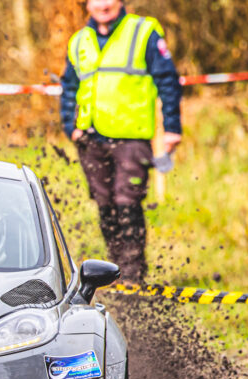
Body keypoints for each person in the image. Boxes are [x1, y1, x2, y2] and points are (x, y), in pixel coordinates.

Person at [60, 0, 183, 283]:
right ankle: (113, 271)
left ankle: (132, 275)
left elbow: (168, 80)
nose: (103, 5)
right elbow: (69, 86)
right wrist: (70, 127)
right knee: (105, 205)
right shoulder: (78, 41)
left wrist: (172, 127)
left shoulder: (143, 32)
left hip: (132, 138)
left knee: (127, 202)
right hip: (91, 139)